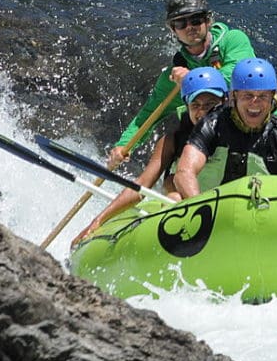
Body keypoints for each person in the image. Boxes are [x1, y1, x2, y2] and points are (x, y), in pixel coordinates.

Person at [109, 0, 277, 168]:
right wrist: (123, 146)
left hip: (270, 120)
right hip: (223, 139)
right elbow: (149, 114)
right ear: (172, 29)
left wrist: (191, 80)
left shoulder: (233, 40)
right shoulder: (176, 75)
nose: (190, 27)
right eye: (181, 22)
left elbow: (237, 76)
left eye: (196, 19)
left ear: (208, 21)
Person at [71, 67, 228, 247]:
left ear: (224, 101)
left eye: (209, 104)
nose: (202, 112)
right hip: (181, 207)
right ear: (187, 107)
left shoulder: (236, 132)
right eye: (195, 105)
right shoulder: (171, 141)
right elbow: (141, 185)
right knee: (174, 194)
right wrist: (98, 221)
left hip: (224, 203)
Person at [173, 58, 277, 198]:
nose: (255, 103)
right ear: (233, 97)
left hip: (266, 215)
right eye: (248, 95)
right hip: (212, 210)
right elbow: (184, 173)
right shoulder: (212, 125)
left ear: (273, 98)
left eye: (263, 96)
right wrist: (201, 208)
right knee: (174, 196)